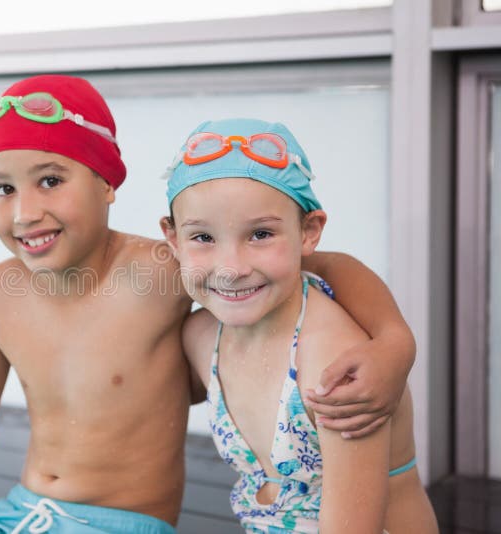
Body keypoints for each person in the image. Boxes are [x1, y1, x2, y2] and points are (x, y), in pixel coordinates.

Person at [0, 75, 417, 534]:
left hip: (120, 522)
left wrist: (395, 342)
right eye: (3, 188)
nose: (25, 212)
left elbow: (319, 264)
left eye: (50, 180)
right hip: (19, 511)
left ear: (107, 183)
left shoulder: (162, 270)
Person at [161, 118, 438, 532]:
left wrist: (396, 339)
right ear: (173, 239)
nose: (231, 268)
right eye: (203, 238)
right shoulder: (200, 336)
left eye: (260, 234)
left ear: (309, 232)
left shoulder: (333, 363)